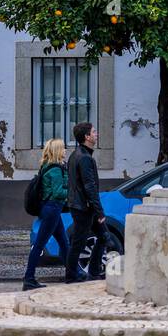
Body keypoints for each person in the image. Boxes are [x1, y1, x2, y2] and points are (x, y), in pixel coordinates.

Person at [22, 137, 72, 291]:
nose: (65, 150)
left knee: (64, 242)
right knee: (39, 244)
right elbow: (58, 193)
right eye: (63, 148)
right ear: (58, 151)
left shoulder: (47, 166)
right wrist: (72, 192)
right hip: (52, 208)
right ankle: (29, 279)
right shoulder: (56, 169)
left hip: (50, 208)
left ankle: (72, 273)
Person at [65, 121, 108, 282]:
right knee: (78, 242)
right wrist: (99, 211)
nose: (96, 134)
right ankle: (71, 277)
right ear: (87, 137)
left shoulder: (77, 154)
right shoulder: (84, 158)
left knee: (103, 236)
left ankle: (94, 272)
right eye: (94, 132)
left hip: (81, 206)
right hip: (83, 207)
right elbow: (89, 187)